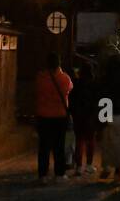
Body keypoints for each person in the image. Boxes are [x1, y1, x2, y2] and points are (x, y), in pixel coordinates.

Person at [34, 51, 73, 183]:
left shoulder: (40, 78)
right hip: (59, 116)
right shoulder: (65, 79)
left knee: (43, 147)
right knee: (59, 146)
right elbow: (70, 89)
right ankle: (59, 174)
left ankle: (43, 175)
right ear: (59, 63)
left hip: (43, 115)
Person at [98, 53, 120, 184]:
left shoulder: (104, 79)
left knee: (106, 141)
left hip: (106, 110)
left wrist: (100, 116)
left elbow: (101, 96)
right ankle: (117, 172)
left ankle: (106, 166)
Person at [69, 62, 98, 175]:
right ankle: (89, 165)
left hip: (78, 115)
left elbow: (72, 100)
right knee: (90, 140)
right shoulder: (94, 84)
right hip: (90, 116)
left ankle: (79, 166)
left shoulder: (76, 83)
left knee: (79, 140)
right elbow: (98, 100)